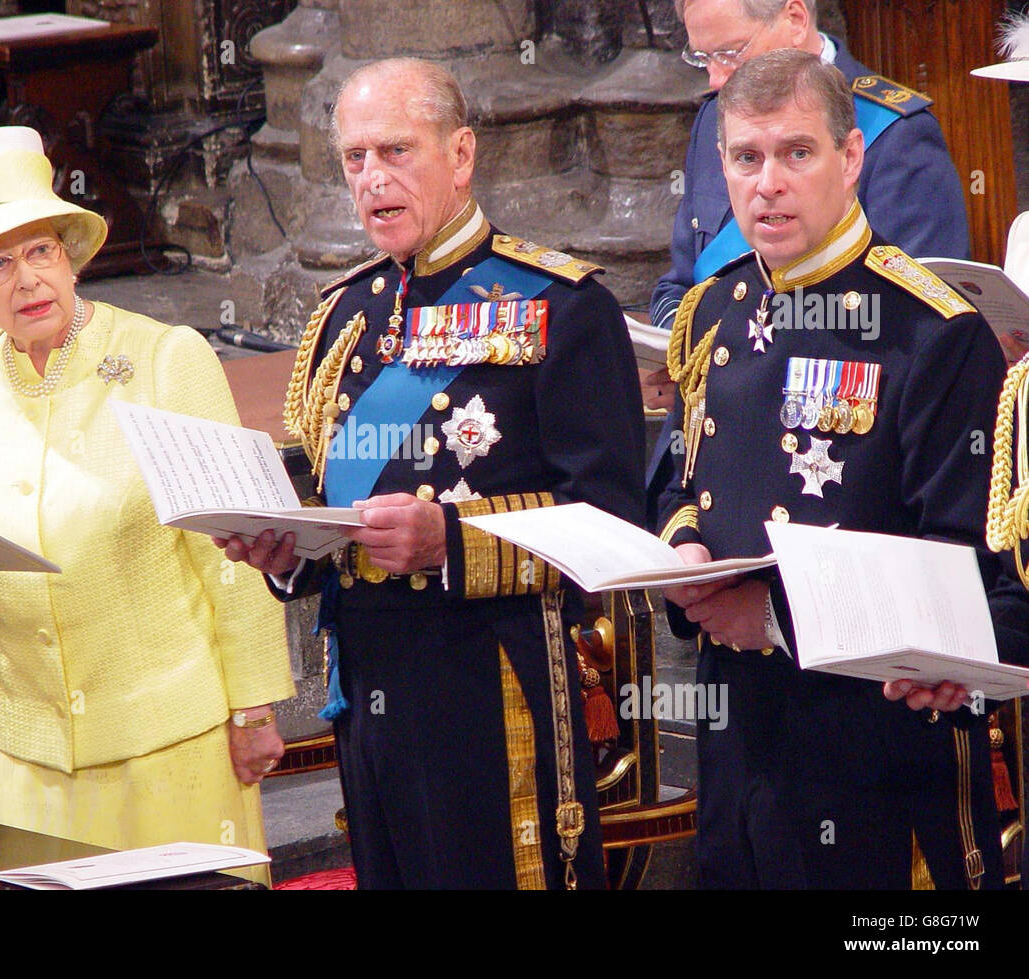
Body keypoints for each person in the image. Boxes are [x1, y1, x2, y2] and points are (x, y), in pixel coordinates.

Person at [217, 58, 645, 889]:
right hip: (372, 683)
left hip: (496, 682)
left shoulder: (559, 305)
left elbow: (613, 523)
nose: (372, 177)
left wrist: (448, 538)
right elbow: (332, 499)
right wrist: (287, 551)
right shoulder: (347, 312)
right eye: (354, 158)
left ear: (460, 155)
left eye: (396, 151)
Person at [0, 126, 295, 884]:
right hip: (33, 751)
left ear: (70, 257)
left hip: (171, 741)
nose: (27, 280)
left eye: (40, 251)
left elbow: (233, 549)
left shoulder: (166, 358)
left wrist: (254, 709)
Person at [657, 49, 1005, 889]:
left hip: (879, 756)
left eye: (796, 153)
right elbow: (677, 475)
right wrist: (685, 550)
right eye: (747, 157)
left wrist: (772, 615)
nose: (767, 182)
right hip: (738, 738)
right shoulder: (714, 311)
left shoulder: (934, 331)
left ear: (851, 159)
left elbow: (970, 569)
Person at [643, 0, 970, 528]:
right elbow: (683, 279)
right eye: (701, 56)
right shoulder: (715, 120)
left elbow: (917, 301)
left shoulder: (896, 129)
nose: (715, 74)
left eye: (728, 51)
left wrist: (759, 607)